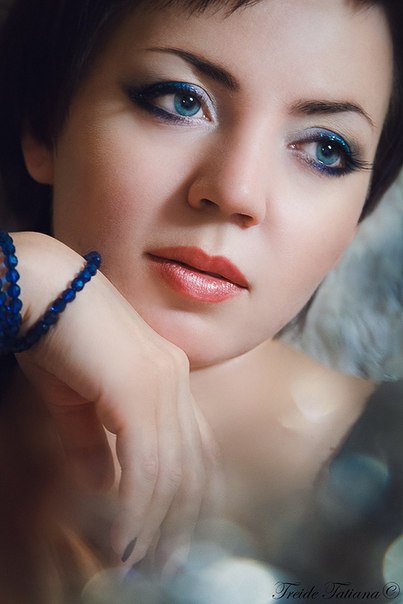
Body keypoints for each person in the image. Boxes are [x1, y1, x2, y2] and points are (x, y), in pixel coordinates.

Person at [0, 0, 402, 601]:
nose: (237, 192)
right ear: (44, 121)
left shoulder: (387, 474)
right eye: (181, 101)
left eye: (325, 149)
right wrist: (19, 277)